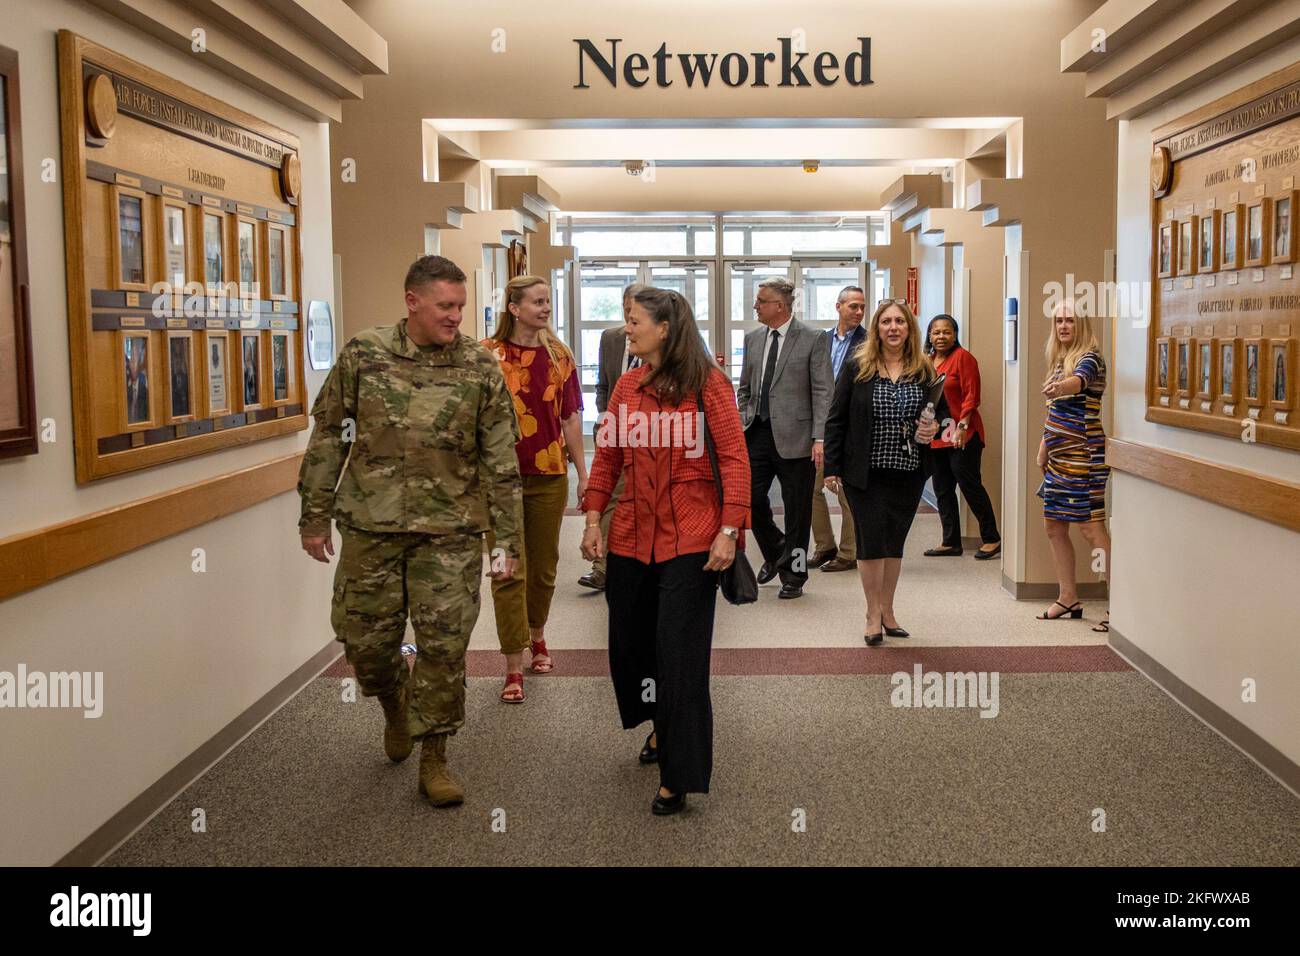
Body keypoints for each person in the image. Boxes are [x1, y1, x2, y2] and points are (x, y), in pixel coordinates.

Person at [297, 254, 522, 807]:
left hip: (450, 532)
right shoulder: (364, 354)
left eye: (460, 307)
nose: (455, 317)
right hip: (371, 528)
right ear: (412, 302)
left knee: (444, 647)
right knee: (366, 647)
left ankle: (435, 755)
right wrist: (314, 514)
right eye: (445, 306)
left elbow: (501, 461)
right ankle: (395, 703)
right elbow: (330, 438)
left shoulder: (478, 365)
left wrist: (509, 541)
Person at [582, 286, 750, 816]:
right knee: (632, 651)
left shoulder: (710, 386)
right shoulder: (627, 386)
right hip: (632, 536)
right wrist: (592, 517)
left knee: (679, 657)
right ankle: (659, 727)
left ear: (665, 328)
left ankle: (678, 775)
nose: (626, 328)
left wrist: (730, 529)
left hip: (691, 539)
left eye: (634, 321)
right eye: (627, 320)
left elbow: (736, 461)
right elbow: (607, 458)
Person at [484, 275, 588, 703]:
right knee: (505, 568)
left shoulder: (559, 355)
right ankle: (512, 663)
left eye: (548, 302)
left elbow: (570, 419)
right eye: (538, 302)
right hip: (498, 480)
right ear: (514, 307)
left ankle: (538, 637)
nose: (546, 309)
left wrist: (584, 473)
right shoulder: (487, 356)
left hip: (548, 475)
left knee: (544, 567)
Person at [823, 300, 944, 645]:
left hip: (908, 473)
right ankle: (871, 613)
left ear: (909, 328)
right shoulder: (857, 367)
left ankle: (888, 611)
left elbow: (943, 415)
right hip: (865, 472)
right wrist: (832, 466)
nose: (893, 327)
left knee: (894, 543)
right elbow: (836, 418)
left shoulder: (924, 369)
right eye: (886, 322)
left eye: (900, 322)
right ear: (877, 328)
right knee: (871, 542)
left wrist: (933, 428)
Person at [735, 276, 833, 599]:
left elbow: (822, 391)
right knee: (749, 498)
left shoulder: (813, 338)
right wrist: (744, 416)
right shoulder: (752, 339)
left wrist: (820, 437)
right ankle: (777, 548)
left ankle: (795, 574)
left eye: (760, 301)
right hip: (757, 434)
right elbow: (745, 388)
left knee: (798, 511)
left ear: (779, 306)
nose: (755, 306)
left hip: (798, 438)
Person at [1036, 301, 1111, 632]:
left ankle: (1120, 607)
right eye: (1059, 320)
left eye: (1070, 320)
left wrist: (1060, 386)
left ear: (1082, 324)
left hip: (1085, 455)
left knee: (1091, 528)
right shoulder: (1057, 359)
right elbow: (1054, 408)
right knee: (1054, 525)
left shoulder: (1090, 357)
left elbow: (1077, 383)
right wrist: (1044, 448)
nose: (1064, 325)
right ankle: (1068, 597)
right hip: (1059, 457)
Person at [579, 283, 648, 591]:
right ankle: (603, 566)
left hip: (647, 434)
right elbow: (604, 384)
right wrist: (604, 418)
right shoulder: (610, 338)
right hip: (613, 430)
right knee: (609, 494)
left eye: (637, 311)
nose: (630, 317)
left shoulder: (661, 340)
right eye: (627, 308)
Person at [922, 314, 1002, 559]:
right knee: (942, 489)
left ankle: (991, 538)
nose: (941, 337)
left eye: (947, 332)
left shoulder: (963, 358)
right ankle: (950, 542)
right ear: (930, 336)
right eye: (936, 332)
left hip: (963, 434)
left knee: (969, 485)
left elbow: (972, 396)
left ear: (955, 335)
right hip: (938, 434)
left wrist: (963, 425)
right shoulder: (927, 361)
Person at [811, 285, 867, 574]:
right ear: (838, 307)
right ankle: (825, 545)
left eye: (861, 307)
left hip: (850, 428)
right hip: (822, 425)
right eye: (852, 306)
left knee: (846, 493)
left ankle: (849, 552)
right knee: (812, 488)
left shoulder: (868, 343)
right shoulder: (821, 340)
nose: (858, 312)